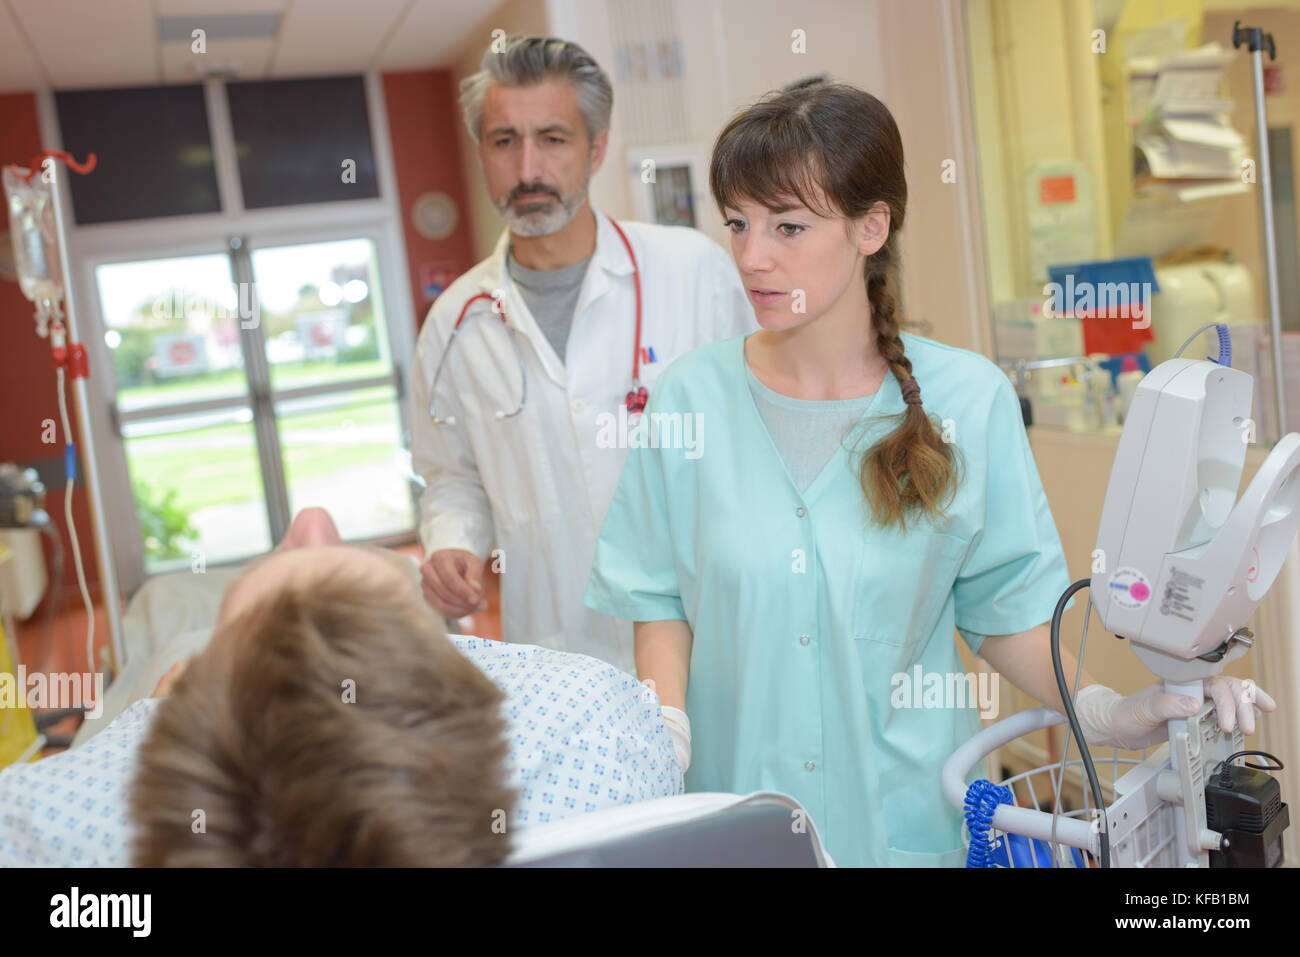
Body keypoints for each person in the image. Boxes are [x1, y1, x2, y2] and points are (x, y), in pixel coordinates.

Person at [583, 78, 1275, 867]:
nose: (751, 256)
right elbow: (658, 597)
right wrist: (668, 733)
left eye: (788, 226)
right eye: (738, 223)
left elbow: (1008, 612)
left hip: (908, 830)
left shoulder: (966, 399)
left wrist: (1107, 711)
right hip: (739, 822)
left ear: (870, 226)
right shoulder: (689, 396)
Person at [0, 509, 681, 867]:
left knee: (168, 622)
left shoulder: (46, 816)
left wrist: (157, 710)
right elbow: (652, 736)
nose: (313, 521)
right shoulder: (595, 722)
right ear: (459, 662)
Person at [411, 36, 757, 674]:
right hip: (557, 652)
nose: (527, 171)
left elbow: (762, 431)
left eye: (553, 138)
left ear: (596, 148)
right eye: (504, 141)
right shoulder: (453, 324)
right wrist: (451, 544)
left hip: (712, 636)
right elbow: (451, 476)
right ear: (481, 153)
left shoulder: (691, 271)